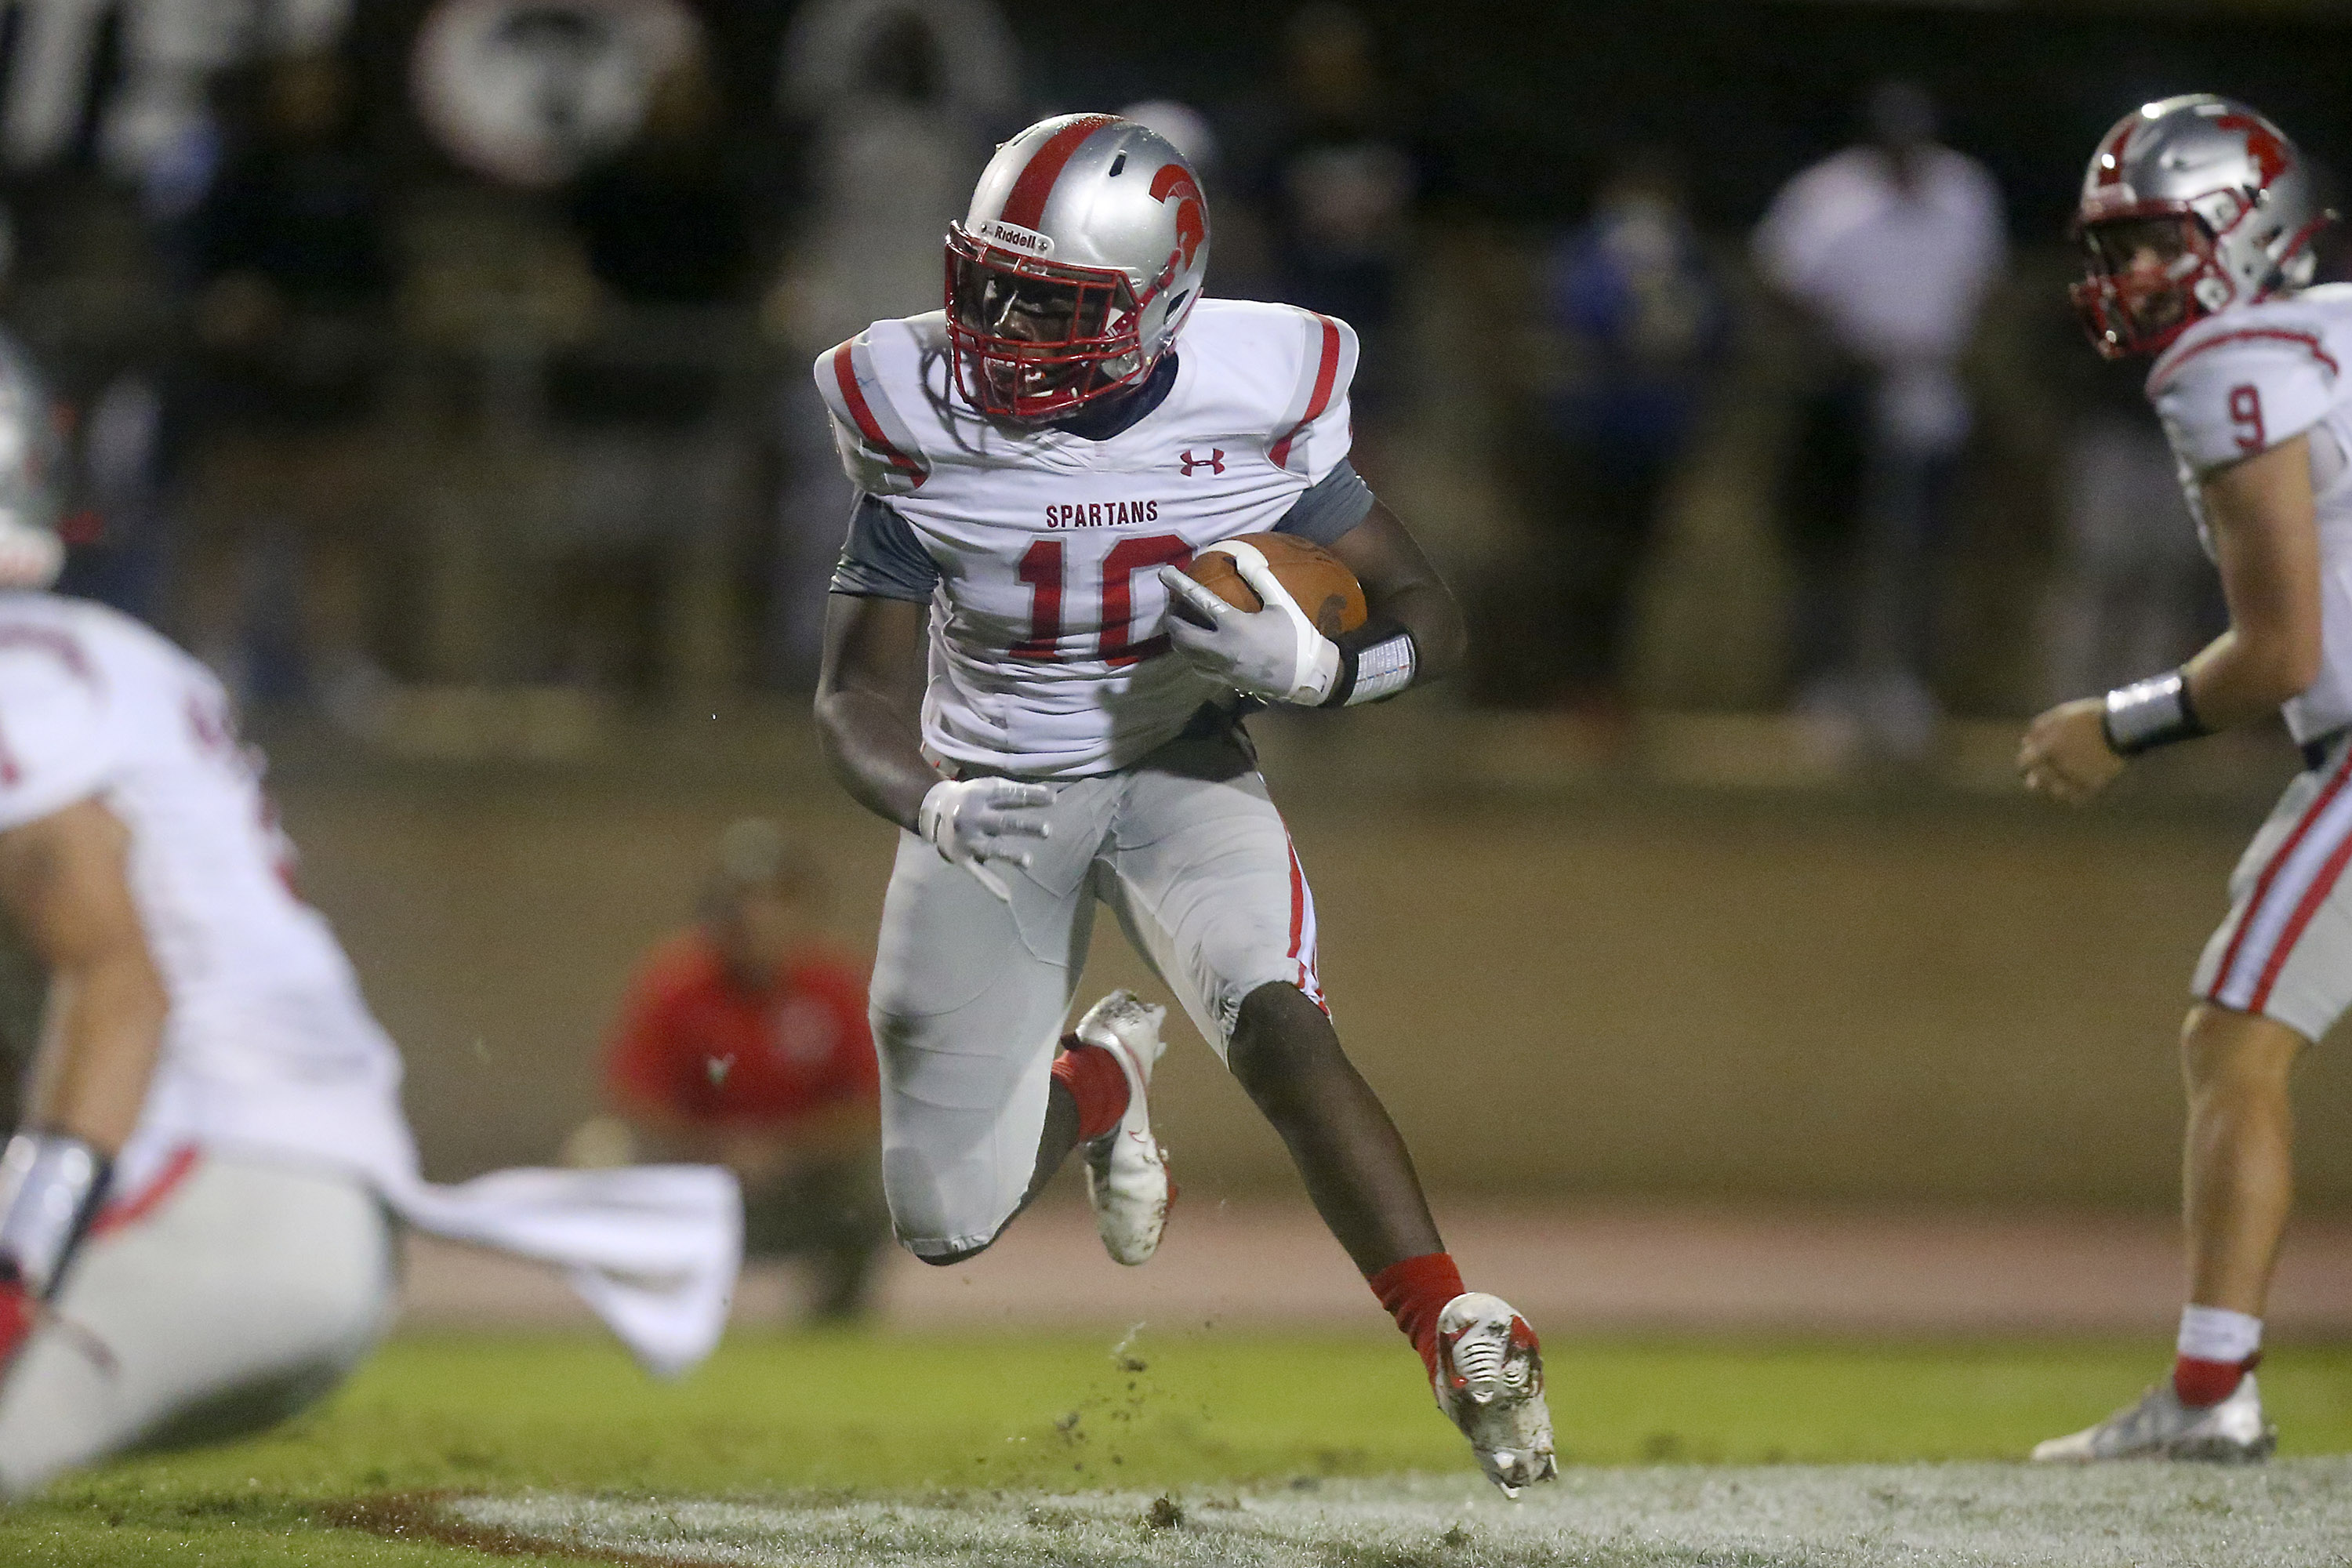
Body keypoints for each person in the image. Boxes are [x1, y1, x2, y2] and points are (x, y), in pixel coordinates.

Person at [811, 112, 1554, 1494]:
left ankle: (1449, 1327)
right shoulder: (905, 406)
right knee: (943, 1223)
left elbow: (1429, 616)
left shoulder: (1265, 384)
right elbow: (849, 701)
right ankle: (1100, 1082)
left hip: (1177, 766)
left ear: (1163, 303)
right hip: (997, 795)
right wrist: (933, 805)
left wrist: (1327, 669)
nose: (999, 324)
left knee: (1276, 1018)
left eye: (1055, 298)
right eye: (989, 281)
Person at [0, 349, 740, 1497]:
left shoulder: (23, 678)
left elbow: (119, 985)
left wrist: (17, 1263)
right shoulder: (115, 660)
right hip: (297, 1210)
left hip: (214, 1202)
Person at [2020, 95, 2347, 1462]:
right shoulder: (2330, 324)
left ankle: (2212, 1399)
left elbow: (2277, 650)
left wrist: (2123, 719)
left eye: (2153, 241)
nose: (2125, 277)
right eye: (2115, 247)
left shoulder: (2231, 361)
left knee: (2237, 1035)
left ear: (2242, 232)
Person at [1753, 81, 2005, 763]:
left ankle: (1904, 691)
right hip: (1842, 394)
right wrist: (1850, 346)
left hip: (1930, 390)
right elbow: (1780, 281)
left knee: (1922, 548)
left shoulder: (1963, 191)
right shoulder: (1826, 196)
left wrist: (1942, 344)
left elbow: (1984, 283)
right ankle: (1826, 691)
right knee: (1832, 550)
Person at [599, 820, 887, 1320]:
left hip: (800, 1178)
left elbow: (868, 1103)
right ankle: (644, 1318)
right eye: (744, 900)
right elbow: (634, 1097)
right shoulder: (675, 983)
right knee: (599, 1155)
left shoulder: (834, 984)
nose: (759, 916)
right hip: (698, 1176)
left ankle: (836, 1326)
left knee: (879, 1184)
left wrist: (786, 1149)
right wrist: (719, 1148)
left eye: (778, 898)